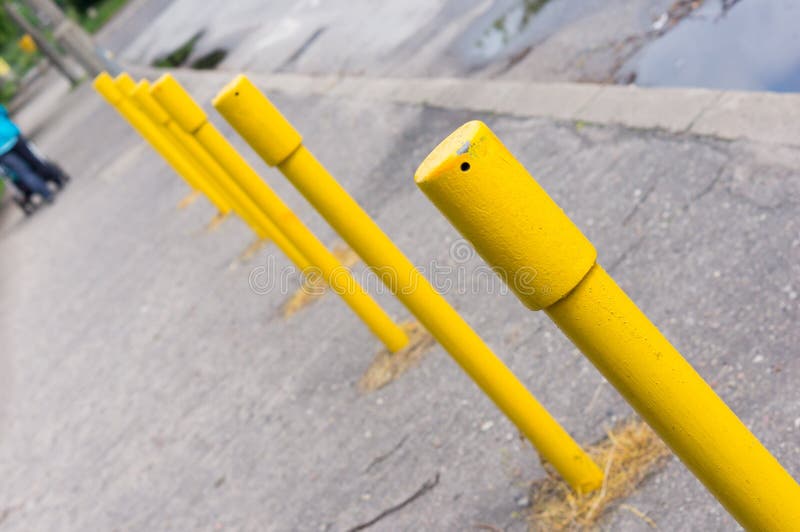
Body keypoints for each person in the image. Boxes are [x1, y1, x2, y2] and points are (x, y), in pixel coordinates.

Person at [0, 105, 66, 205]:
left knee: (22, 172)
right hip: (12, 136)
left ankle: (46, 194)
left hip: (2, 151)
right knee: (34, 160)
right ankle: (56, 179)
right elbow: (4, 112)